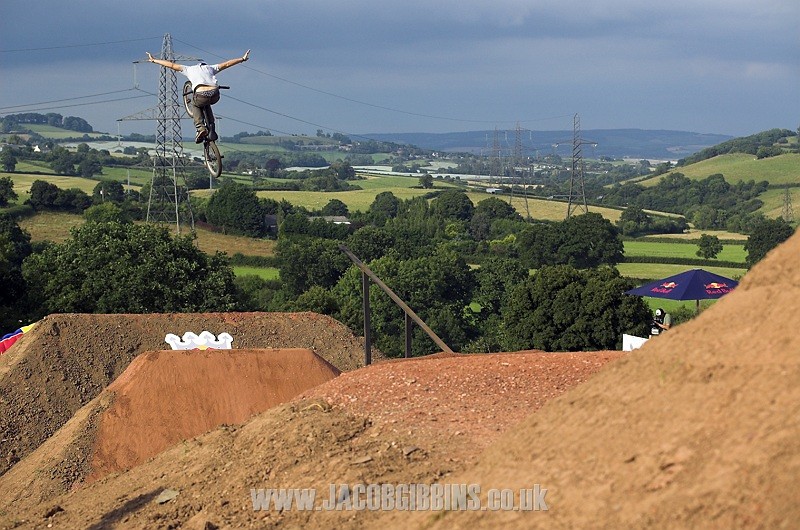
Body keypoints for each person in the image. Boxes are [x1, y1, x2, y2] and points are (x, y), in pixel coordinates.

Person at [146, 49, 250, 143]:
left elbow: (171, 65)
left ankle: (201, 128)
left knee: (195, 104)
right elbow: (227, 64)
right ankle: (212, 128)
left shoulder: (188, 69)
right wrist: (242, 59)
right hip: (215, 94)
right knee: (206, 103)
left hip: (200, 95)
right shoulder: (210, 68)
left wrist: (154, 60)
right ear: (204, 65)